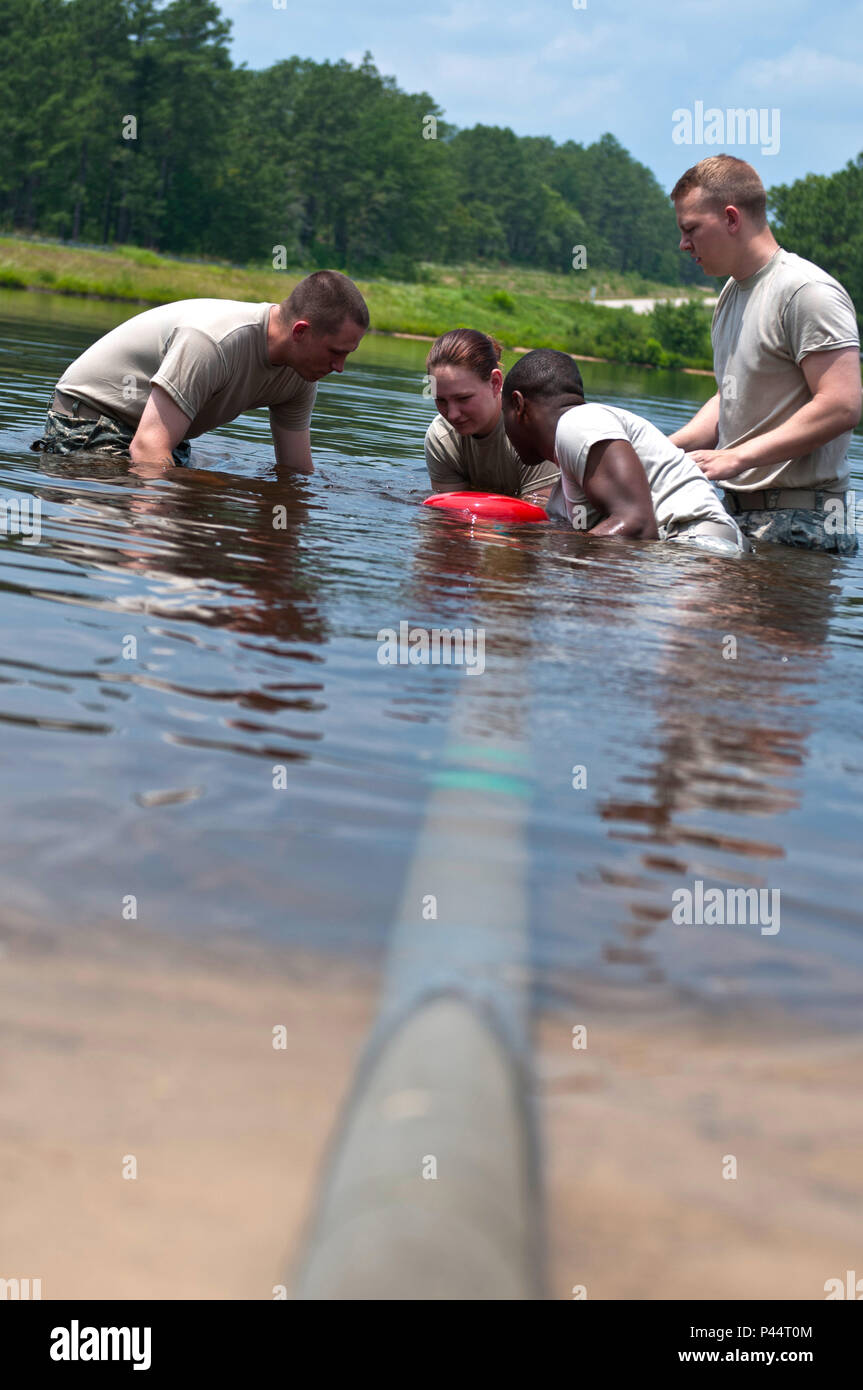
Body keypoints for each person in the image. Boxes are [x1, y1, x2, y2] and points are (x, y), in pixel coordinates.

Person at [670, 154, 861, 553]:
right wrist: (666, 448)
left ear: (731, 218)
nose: (683, 244)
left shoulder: (807, 292)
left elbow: (842, 405)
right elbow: (730, 396)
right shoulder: (732, 292)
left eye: (691, 229)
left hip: (803, 524)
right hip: (740, 513)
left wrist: (736, 458)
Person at [32, 271, 370, 475]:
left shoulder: (302, 374)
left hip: (160, 436)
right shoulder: (213, 342)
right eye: (335, 353)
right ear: (301, 332)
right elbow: (148, 449)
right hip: (90, 419)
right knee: (174, 512)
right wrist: (154, 543)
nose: (339, 368)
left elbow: (295, 470)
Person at [501, 348, 746, 553]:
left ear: (518, 405)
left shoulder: (579, 423)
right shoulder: (567, 481)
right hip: (689, 550)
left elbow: (636, 525)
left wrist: (574, 555)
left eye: (504, 414)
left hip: (699, 548)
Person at [424, 329, 559, 505]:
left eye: (463, 398)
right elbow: (448, 513)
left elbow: (539, 516)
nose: (452, 414)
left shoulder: (532, 429)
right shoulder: (442, 437)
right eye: (441, 400)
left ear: (495, 383)